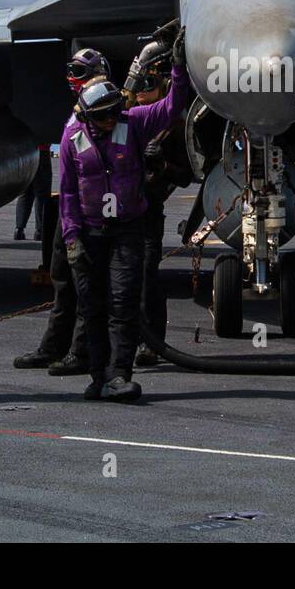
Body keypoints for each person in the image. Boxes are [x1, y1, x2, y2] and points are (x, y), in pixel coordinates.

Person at [61, 31, 192, 402]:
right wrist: (71, 238)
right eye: (102, 118)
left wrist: (179, 68)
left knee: (123, 304)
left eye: (112, 114)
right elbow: (67, 192)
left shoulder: (131, 122)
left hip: (127, 231)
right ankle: (97, 377)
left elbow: (172, 105)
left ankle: (119, 375)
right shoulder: (72, 138)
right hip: (89, 234)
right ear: (87, 116)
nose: (109, 121)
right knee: (92, 308)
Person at [13, 47, 112, 374]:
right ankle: (54, 346)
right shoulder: (76, 116)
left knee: (87, 287)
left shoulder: (109, 113)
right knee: (63, 280)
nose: (74, 79)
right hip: (71, 211)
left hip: (96, 215)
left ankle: (82, 353)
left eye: (80, 72)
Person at [124, 39, 194, 367]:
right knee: (120, 278)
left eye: (150, 84)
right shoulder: (125, 119)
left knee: (147, 276)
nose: (142, 90)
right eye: (140, 84)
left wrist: (162, 164)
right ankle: (120, 341)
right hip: (119, 211)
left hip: (149, 208)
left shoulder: (172, 127)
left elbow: (185, 176)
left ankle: (151, 342)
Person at [14, 145, 50, 241]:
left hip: (25, 152)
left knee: (25, 192)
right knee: (42, 194)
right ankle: (40, 230)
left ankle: (19, 229)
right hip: (41, 151)